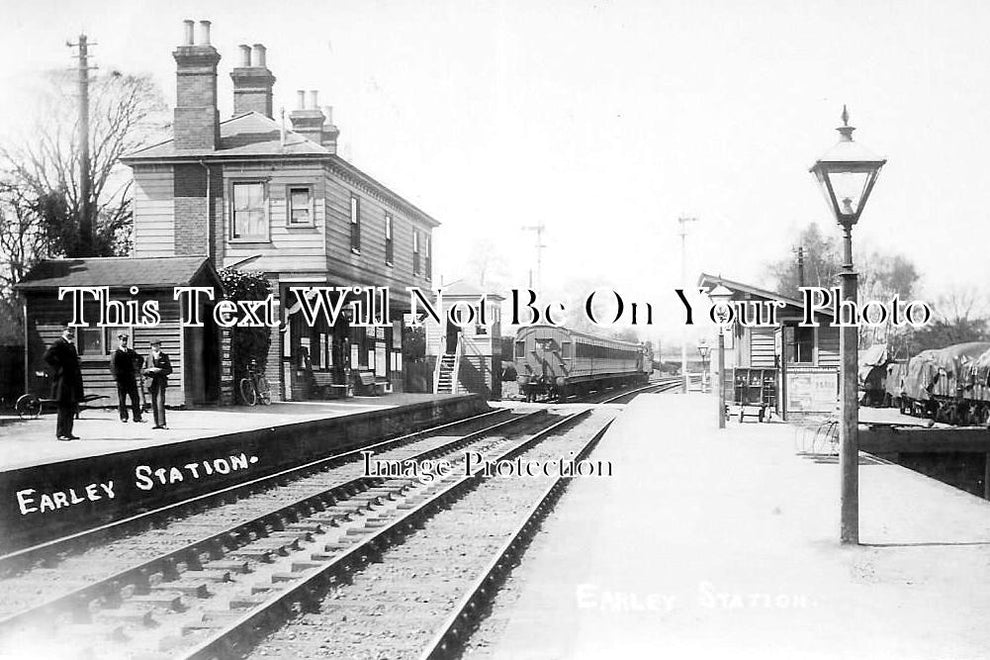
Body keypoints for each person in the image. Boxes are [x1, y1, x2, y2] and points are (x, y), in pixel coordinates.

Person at [43, 321, 84, 441]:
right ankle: (60, 433)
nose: (71, 333)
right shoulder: (59, 343)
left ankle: (69, 432)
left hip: (72, 382)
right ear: (64, 331)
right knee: (63, 408)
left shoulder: (71, 345)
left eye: (72, 331)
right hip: (63, 382)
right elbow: (47, 356)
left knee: (71, 408)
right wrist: (59, 368)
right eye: (69, 330)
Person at [109, 333, 144, 423]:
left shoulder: (131, 352)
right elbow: (112, 366)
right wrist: (116, 377)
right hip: (121, 380)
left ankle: (137, 417)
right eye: (122, 340)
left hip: (131, 379)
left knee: (135, 398)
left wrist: (137, 368)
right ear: (119, 341)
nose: (124, 342)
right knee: (122, 399)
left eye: (125, 340)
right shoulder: (116, 353)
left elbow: (140, 358)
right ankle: (123, 417)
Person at [143, 339, 172, 429]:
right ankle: (156, 423)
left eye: (157, 345)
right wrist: (149, 370)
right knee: (154, 403)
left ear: (160, 346)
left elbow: (169, 370)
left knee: (160, 402)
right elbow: (143, 371)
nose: (155, 347)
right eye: (153, 346)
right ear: (151, 347)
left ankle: (162, 423)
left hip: (161, 382)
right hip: (151, 382)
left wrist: (160, 370)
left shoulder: (164, 357)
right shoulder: (148, 357)